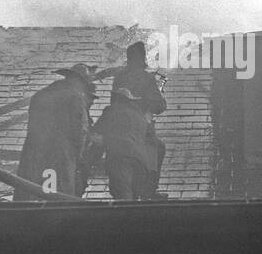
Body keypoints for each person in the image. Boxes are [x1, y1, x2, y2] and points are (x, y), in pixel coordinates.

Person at [95, 43, 167, 200]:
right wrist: (159, 92)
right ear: (142, 57)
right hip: (140, 126)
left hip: (117, 125)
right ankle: (149, 190)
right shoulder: (146, 77)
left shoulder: (119, 76)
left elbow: (114, 100)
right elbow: (159, 106)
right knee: (157, 148)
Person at [16, 64, 97, 199]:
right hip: (59, 158)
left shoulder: (40, 95)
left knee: (30, 194)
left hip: (32, 155)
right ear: (79, 81)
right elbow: (80, 131)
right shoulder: (75, 98)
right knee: (56, 199)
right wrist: (78, 157)